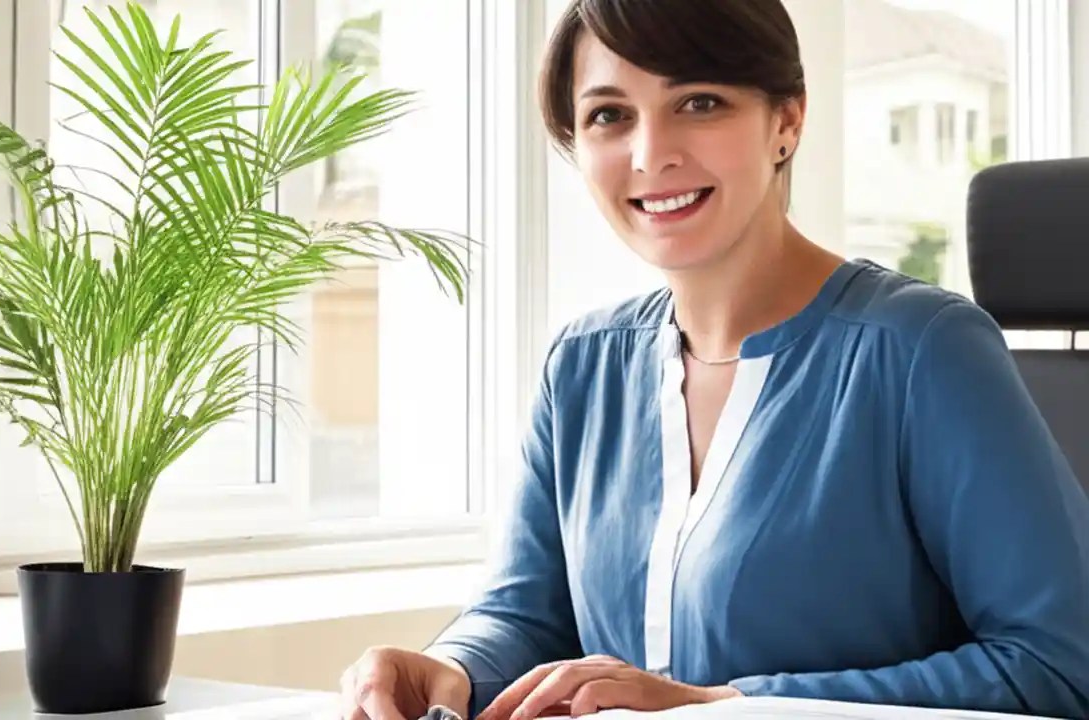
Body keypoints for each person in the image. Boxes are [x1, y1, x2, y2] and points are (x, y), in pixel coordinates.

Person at [338, 1, 1089, 718]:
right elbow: (526, 613)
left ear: (786, 121)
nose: (650, 153)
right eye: (609, 115)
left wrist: (726, 706)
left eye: (698, 103)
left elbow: (1060, 665)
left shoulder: (922, 351)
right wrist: (453, 666)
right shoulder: (581, 368)